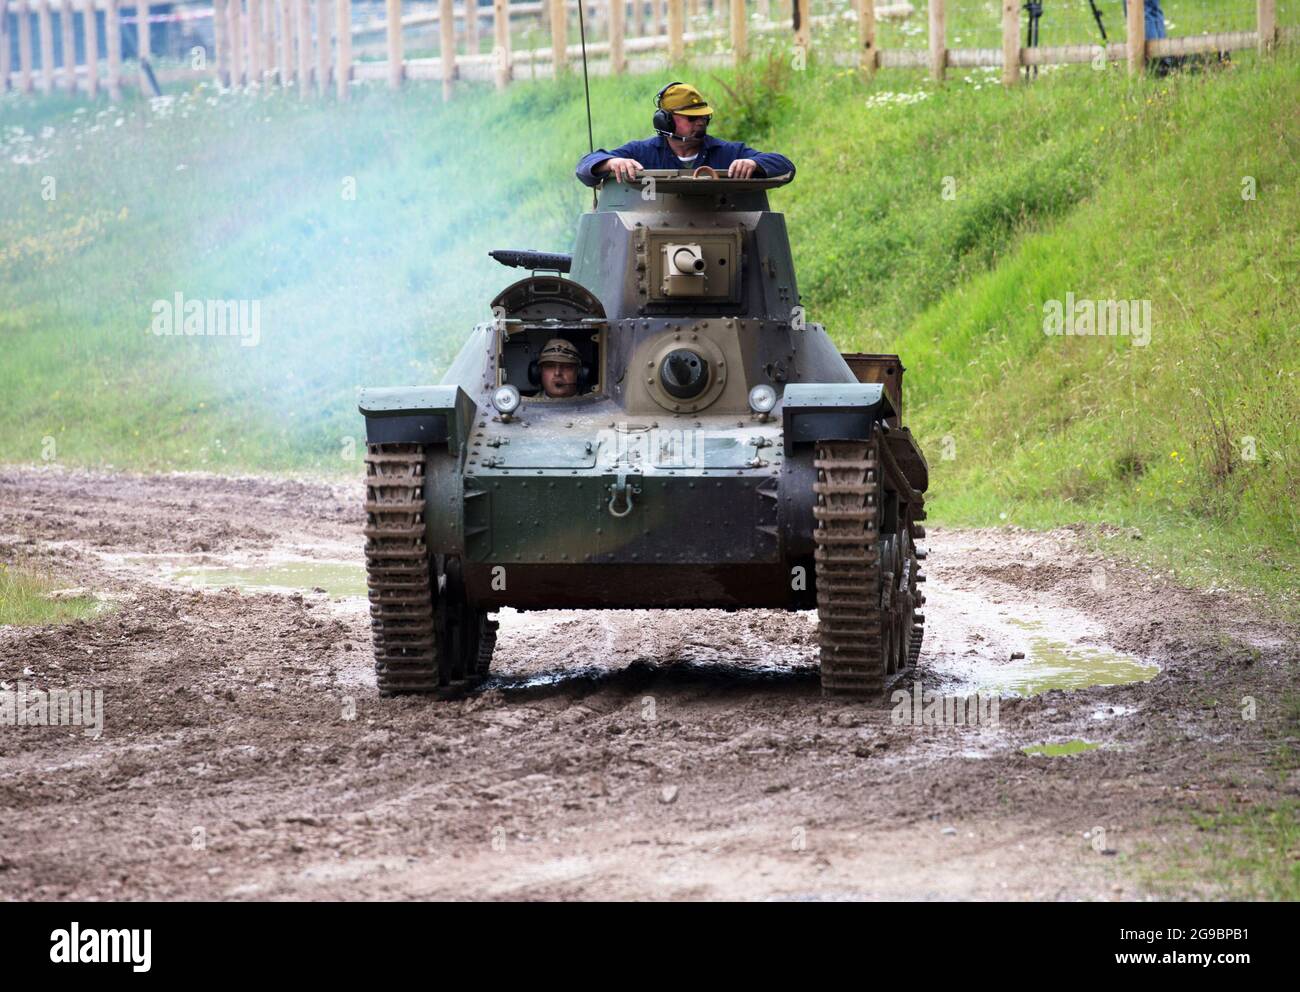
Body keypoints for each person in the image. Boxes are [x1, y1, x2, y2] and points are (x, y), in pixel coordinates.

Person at [576, 82, 795, 189]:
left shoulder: (729, 153)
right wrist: (612, 162)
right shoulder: (640, 153)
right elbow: (585, 167)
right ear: (665, 121)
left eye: (704, 117)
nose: (700, 122)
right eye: (691, 118)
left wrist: (753, 163)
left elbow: (785, 165)